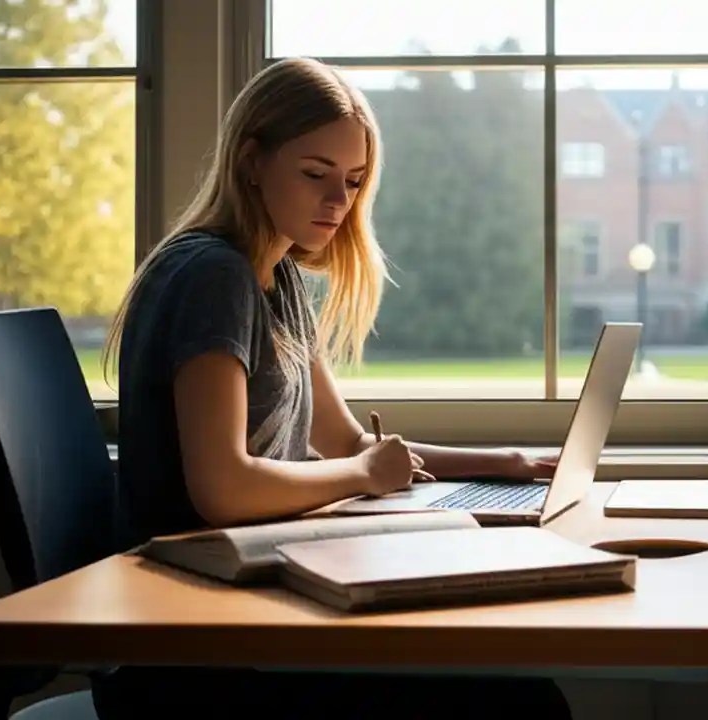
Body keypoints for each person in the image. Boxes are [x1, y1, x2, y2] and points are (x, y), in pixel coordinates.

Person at [91, 57, 572, 719]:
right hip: (189, 662)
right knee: (527, 707)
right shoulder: (215, 277)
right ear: (251, 161)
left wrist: (502, 464)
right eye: (315, 175)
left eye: (352, 182)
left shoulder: (278, 275)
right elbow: (224, 488)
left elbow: (348, 442)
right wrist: (361, 475)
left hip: (242, 616)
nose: (338, 203)